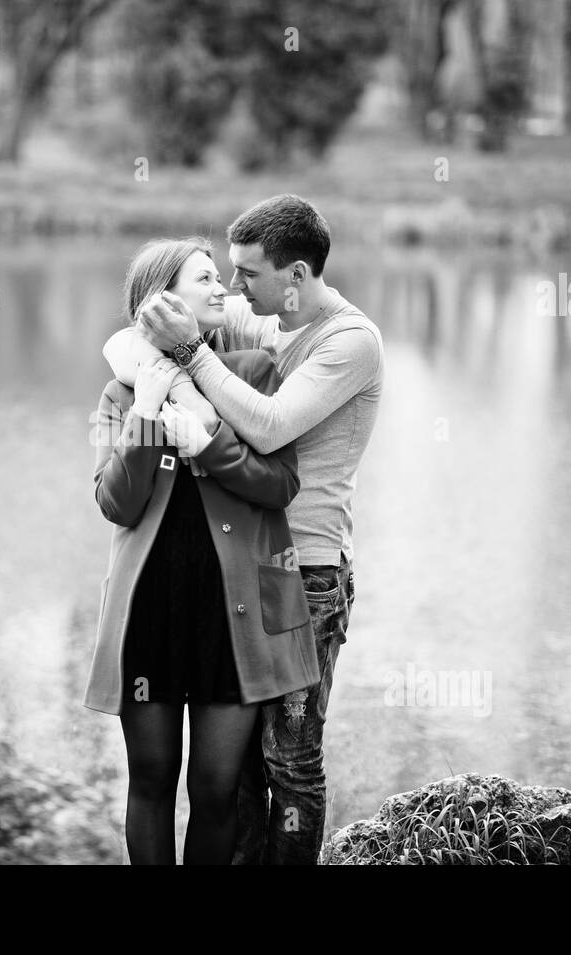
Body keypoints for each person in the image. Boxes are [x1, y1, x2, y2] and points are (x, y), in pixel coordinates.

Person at [102, 195, 385, 864]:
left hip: (305, 571)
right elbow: (132, 331)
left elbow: (268, 429)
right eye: (220, 275)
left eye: (245, 275)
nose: (232, 290)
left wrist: (192, 386)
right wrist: (147, 385)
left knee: (287, 763)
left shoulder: (349, 341)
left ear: (294, 277)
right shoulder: (265, 318)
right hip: (240, 578)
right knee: (240, 775)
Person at [83, 236, 321, 865]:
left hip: (231, 616)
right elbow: (115, 504)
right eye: (205, 279)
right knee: (153, 781)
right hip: (150, 614)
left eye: (221, 277)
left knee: (216, 792)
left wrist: (209, 447)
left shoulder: (252, 375)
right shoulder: (120, 392)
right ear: (163, 301)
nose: (223, 290)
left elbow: (280, 485)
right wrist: (146, 412)